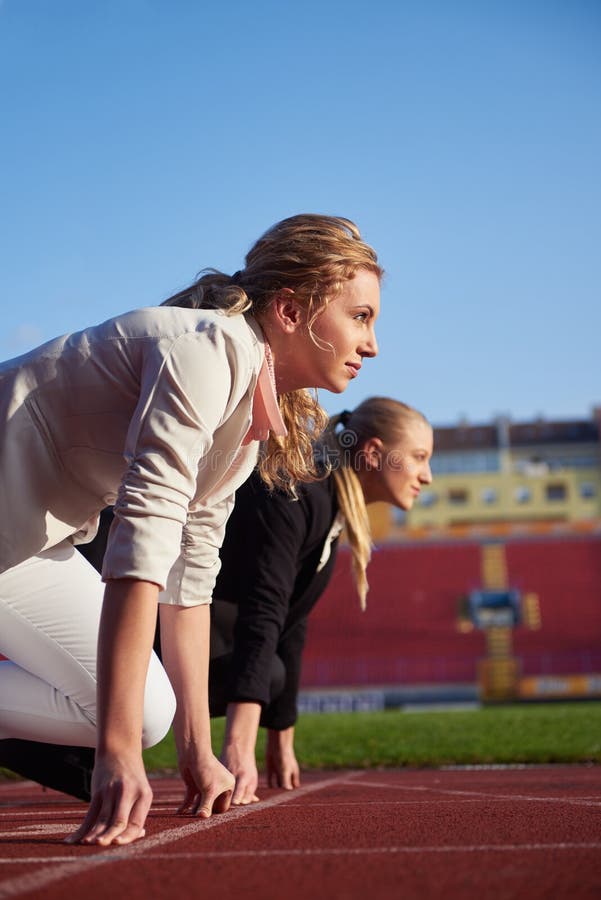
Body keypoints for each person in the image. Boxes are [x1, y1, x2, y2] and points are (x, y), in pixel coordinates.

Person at [0, 214, 382, 846]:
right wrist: (114, 756)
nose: (373, 344)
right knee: (126, 729)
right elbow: (142, 543)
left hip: (28, 542)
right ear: (291, 311)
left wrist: (197, 752)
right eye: (361, 316)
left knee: (148, 711)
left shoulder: (248, 425)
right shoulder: (208, 350)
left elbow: (188, 576)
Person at [209, 397, 433, 804]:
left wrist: (282, 737)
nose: (428, 476)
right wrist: (239, 750)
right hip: (163, 624)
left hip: (207, 627)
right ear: (373, 453)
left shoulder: (329, 501)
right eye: (419, 458)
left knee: (276, 668)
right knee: (270, 670)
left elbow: (293, 623)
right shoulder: (303, 487)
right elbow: (265, 610)